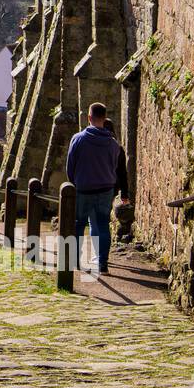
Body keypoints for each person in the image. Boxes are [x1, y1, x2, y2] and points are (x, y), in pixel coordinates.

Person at [66, 102, 121, 273]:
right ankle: (102, 263)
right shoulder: (113, 144)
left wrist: (76, 182)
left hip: (83, 188)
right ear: (104, 119)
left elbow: (70, 166)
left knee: (79, 225)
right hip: (105, 189)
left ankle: (75, 260)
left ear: (89, 117)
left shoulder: (78, 139)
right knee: (102, 225)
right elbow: (114, 167)